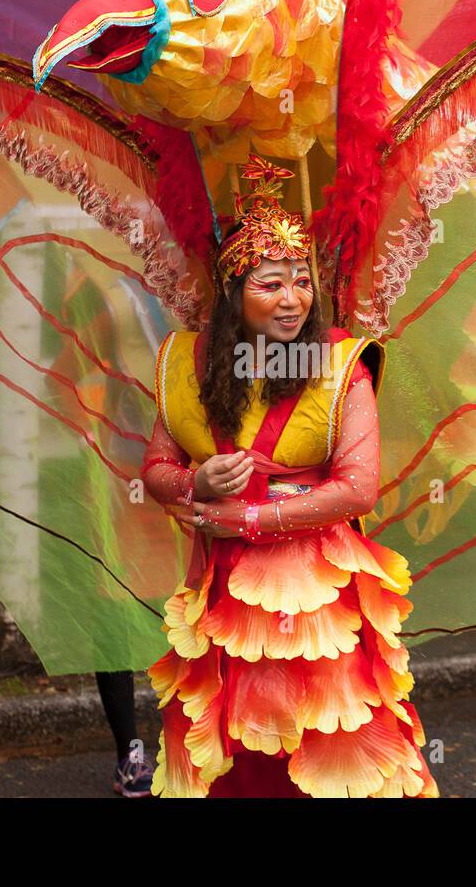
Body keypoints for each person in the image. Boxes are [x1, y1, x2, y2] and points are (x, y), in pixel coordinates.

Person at [137, 157, 438, 797]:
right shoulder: (184, 365)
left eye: (302, 282)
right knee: (232, 754)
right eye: (271, 284)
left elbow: (358, 489)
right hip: (221, 585)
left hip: (317, 596)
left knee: (329, 738)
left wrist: (248, 518)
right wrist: (197, 485)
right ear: (231, 292)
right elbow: (157, 468)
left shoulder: (339, 363)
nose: (293, 299)